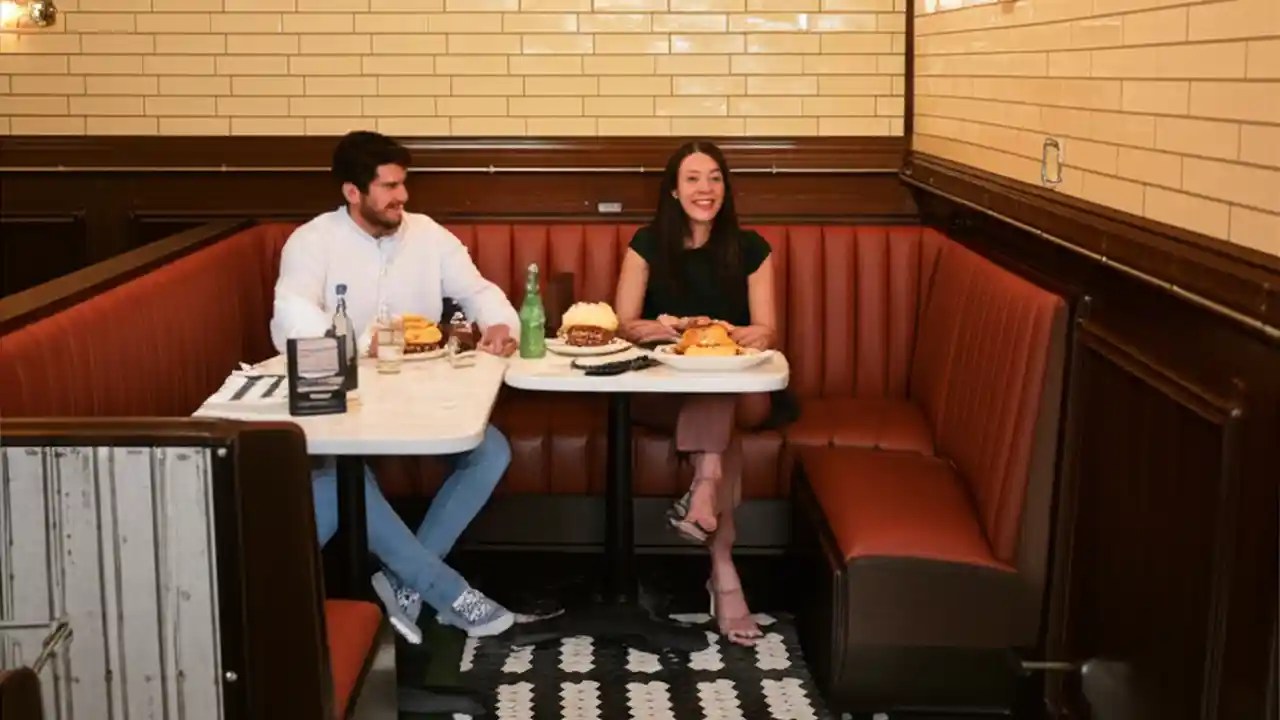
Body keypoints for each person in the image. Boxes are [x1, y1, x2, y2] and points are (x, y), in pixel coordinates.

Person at [270, 130, 518, 641]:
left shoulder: (427, 234)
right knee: (340, 469)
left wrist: (498, 325)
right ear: (352, 192)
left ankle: (403, 582)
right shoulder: (312, 241)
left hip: (422, 397)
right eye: (388, 186)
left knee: (490, 451)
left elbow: (478, 291)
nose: (401, 197)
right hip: (348, 402)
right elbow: (291, 312)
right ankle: (440, 587)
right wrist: (352, 353)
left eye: (403, 185)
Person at [614, 140, 779, 647]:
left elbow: (768, 331)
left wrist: (741, 335)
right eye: (692, 179)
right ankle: (722, 565)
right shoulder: (646, 243)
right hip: (660, 395)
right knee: (719, 427)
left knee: (721, 384)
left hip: (742, 392)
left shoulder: (752, 248)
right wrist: (662, 328)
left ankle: (704, 493)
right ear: (673, 189)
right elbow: (623, 324)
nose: (705, 189)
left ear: (725, 189)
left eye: (714, 179)